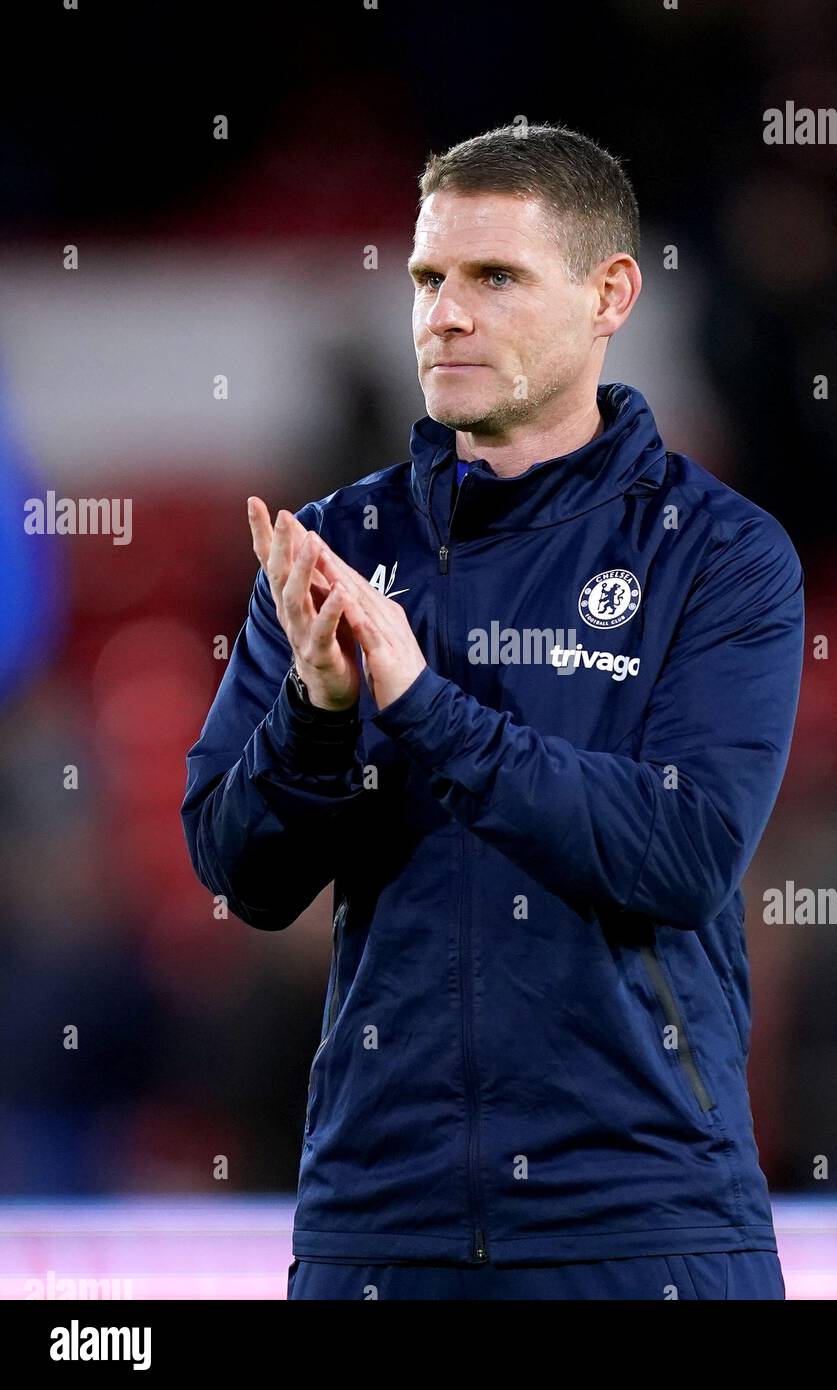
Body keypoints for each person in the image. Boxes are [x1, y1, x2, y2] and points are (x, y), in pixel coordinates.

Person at [180, 123, 804, 1301]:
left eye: (494, 277)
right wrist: (315, 719)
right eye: (428, 278)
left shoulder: (719, 556)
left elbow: (681, 853)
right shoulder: (338, 549)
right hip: (379, 1228)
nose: (444, 315)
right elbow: (242, 876)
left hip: (643, 1224)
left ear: (609, 292)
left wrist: (420, 703)